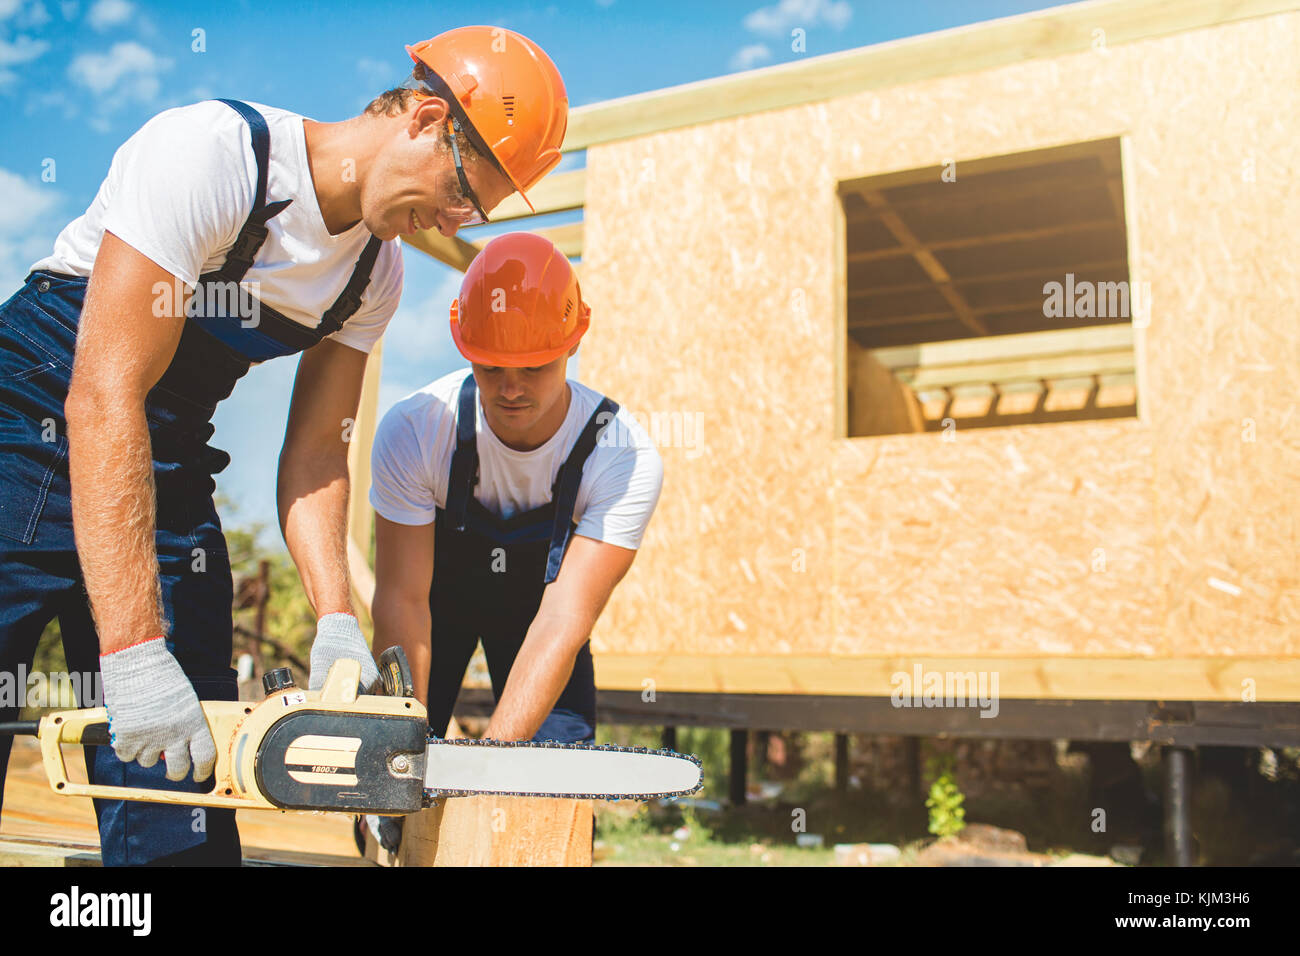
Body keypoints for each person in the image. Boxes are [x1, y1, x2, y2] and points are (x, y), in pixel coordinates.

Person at [0, 26, 567, 866]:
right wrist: (129, 650)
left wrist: (337, 618)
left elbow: (315, 457)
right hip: (30, 424)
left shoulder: (374, 273)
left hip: (164, 463)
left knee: (180, 798)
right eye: (461, 193)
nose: (455, 221)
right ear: (425, 115)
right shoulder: (215, 155)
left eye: (473, 213)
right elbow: (102, 394)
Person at [369, 232, 664, 749]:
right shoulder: (416, 430)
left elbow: (564, 620)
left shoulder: (621, 455)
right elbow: (402, 599)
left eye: (533, 368)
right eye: (491, 367)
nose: (510, 389)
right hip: (436, 606)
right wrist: (393, 748)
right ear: (464, 347)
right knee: (392, 759)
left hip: (542, 611)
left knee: (557, 775)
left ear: (574, 342)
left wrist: (492, 763)